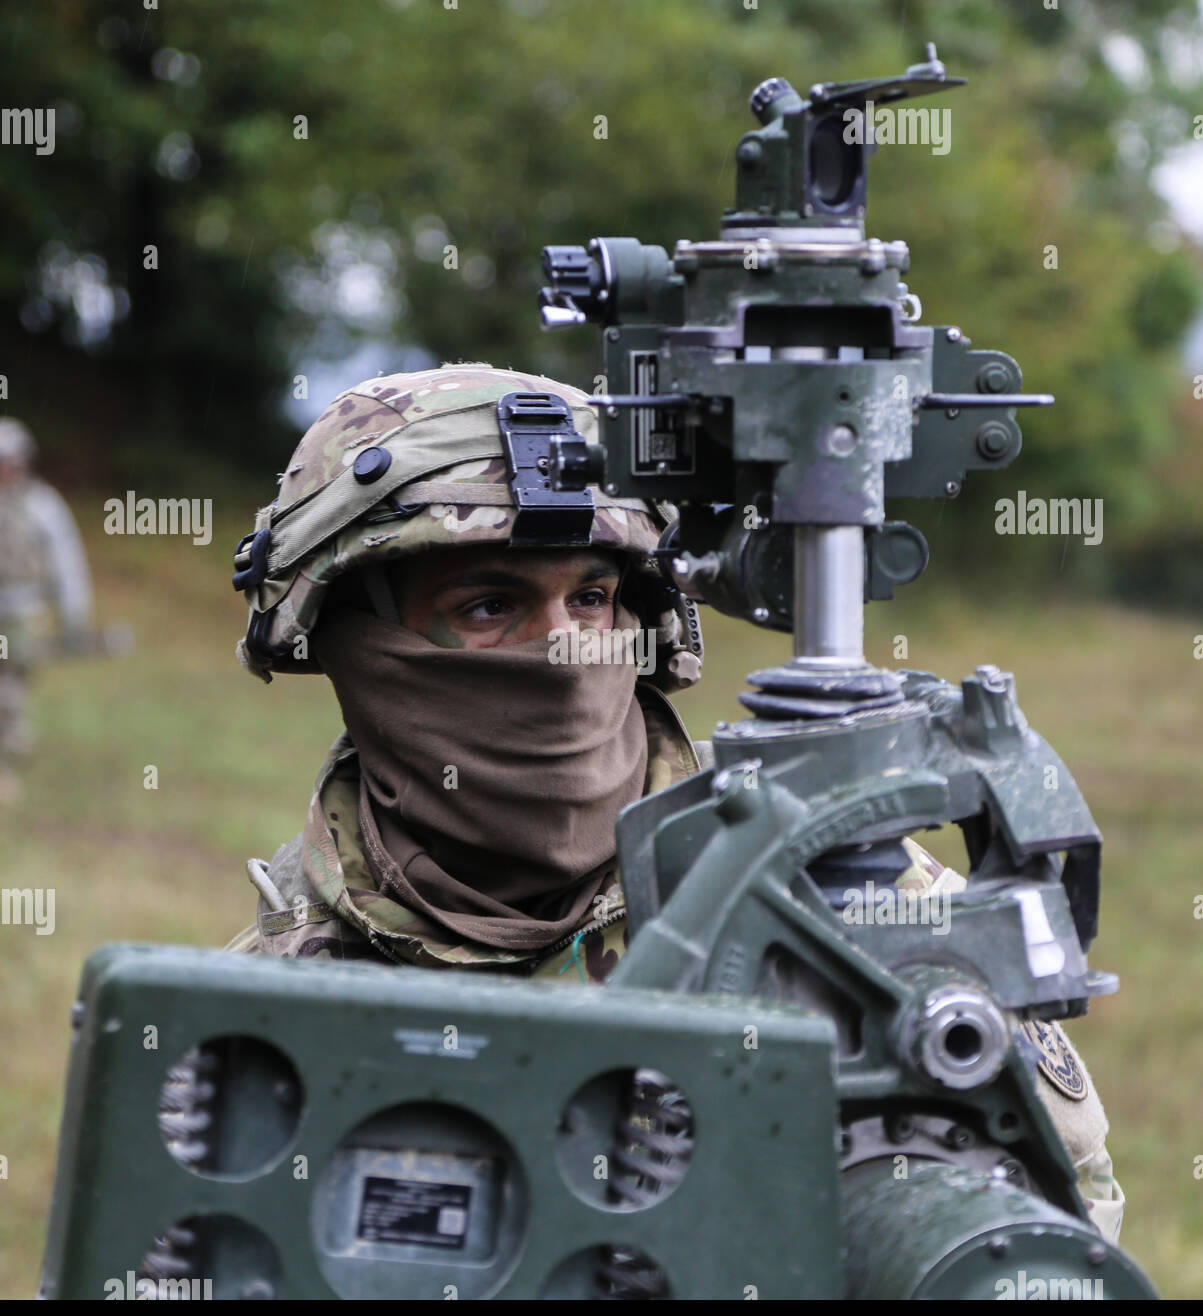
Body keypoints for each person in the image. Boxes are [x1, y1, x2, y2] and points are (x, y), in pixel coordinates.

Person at [225, 362, 1124, 1242]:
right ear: (350, 637)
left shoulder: (830, 899)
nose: (569, 649)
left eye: (593, 596)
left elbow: (1050, 1247)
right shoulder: (267, 991)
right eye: (492, 604)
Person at [0, 418, 93, 803]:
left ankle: (6, 764)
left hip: (23, 614)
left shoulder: (43, 507)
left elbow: (66, 564)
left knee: (9, 692)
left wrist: (74, 617)